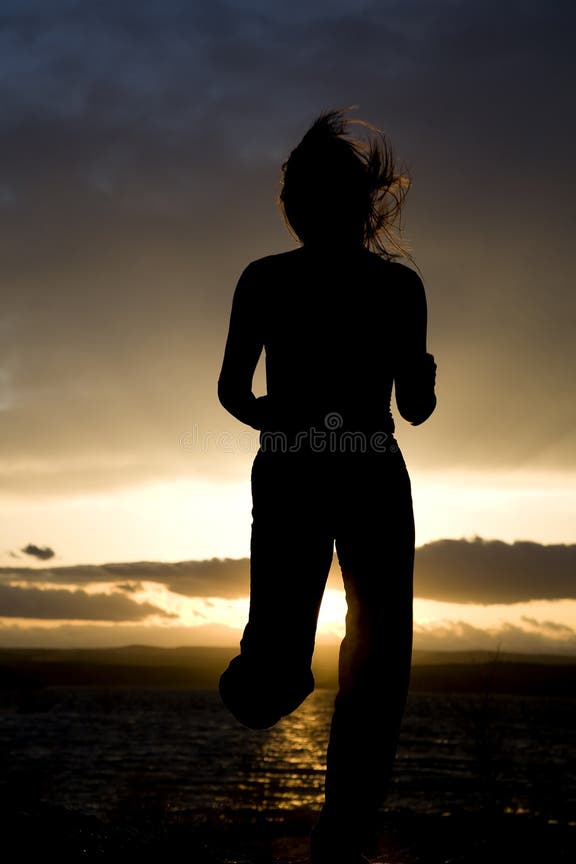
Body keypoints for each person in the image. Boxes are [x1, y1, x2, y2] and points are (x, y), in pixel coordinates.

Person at [217, 109, 437, 864]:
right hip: (309, 471)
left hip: (353, 472)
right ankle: (266, 681)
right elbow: (233, 390)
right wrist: (282, 422)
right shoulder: (269, 280)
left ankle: (342, 833)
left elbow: (413, 407)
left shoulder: (394, 288)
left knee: (380, 658)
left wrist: (417, 377)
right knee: (281, 676)